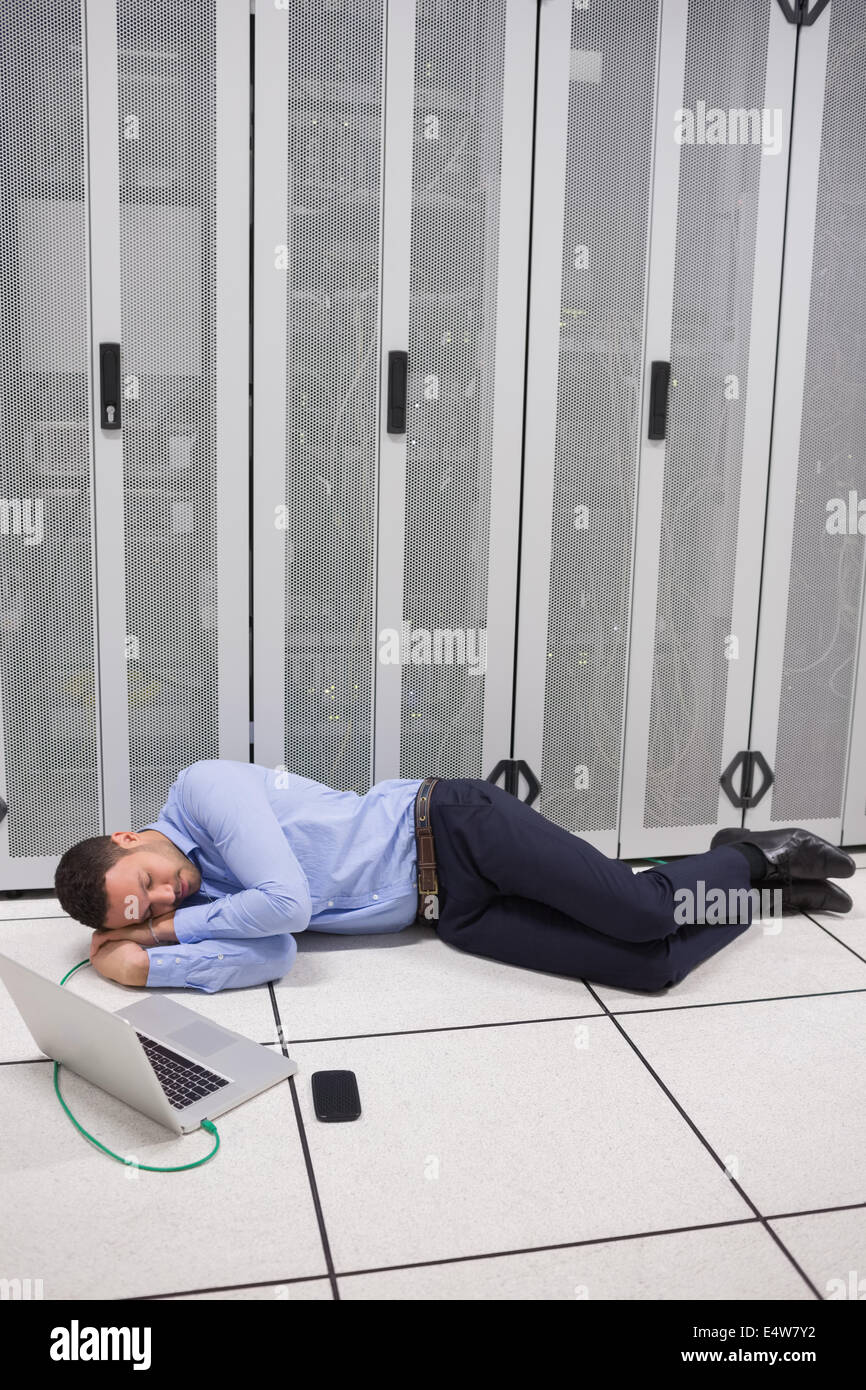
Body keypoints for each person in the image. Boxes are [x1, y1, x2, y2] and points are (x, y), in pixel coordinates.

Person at [53, 760, 856, 995]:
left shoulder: (204, 792)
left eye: (148, 882)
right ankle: (757, 891)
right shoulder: (221, 902)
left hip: (457, 827)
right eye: (145, 908)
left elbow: (290, 907)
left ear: (131, 836)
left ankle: (750, 849)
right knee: (651, 967)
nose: (168, 896)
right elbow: (276, 955)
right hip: (451, 912)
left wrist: (161, 935)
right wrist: (149, 971)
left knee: (645, 911)